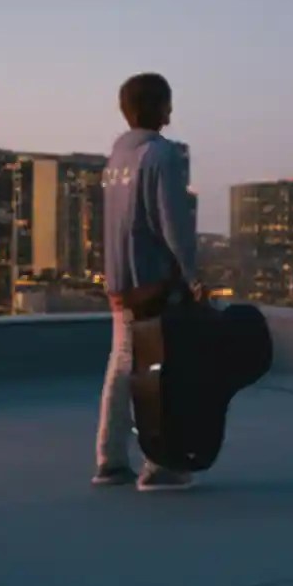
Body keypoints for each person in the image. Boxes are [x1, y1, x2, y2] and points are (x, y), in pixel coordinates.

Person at [93, 72, 204, 491]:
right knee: (161, 374)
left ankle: (110, 460)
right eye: (168, 102)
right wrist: (191, 276)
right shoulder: (161, 155)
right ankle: (161, 465)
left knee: (123, 367)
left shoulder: (116, 159)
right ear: (157, 106)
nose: (171, 111)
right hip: (154, 284)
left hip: (121, 285)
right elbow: (173, 224)